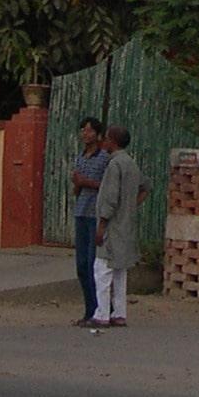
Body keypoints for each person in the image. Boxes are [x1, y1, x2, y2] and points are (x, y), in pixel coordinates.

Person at [92, 125, 142, 329]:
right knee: (120, 271)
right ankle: (119, 313)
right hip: (126, 224)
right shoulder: (130, 163)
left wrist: (101, 226)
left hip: (112, 226)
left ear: (112, 141)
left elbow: (110, 199)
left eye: (107, 139)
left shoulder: (114, 165)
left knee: (102, 269)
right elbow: (146, 186)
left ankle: (102, 314)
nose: (104, 141)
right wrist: (129, 207)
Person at [70, 117, 109, 328]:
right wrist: (77, 184)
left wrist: (86, 183)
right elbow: (77, 191)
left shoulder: (104, 159)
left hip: (96, 215)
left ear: (98, 135)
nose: (85, 134)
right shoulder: (80, 158)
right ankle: (88, 309)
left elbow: (107, 187)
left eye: (89, 131)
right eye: (83, 130)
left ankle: (100, 309)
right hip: (81, 213)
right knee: (82, 266)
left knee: (94, 264)